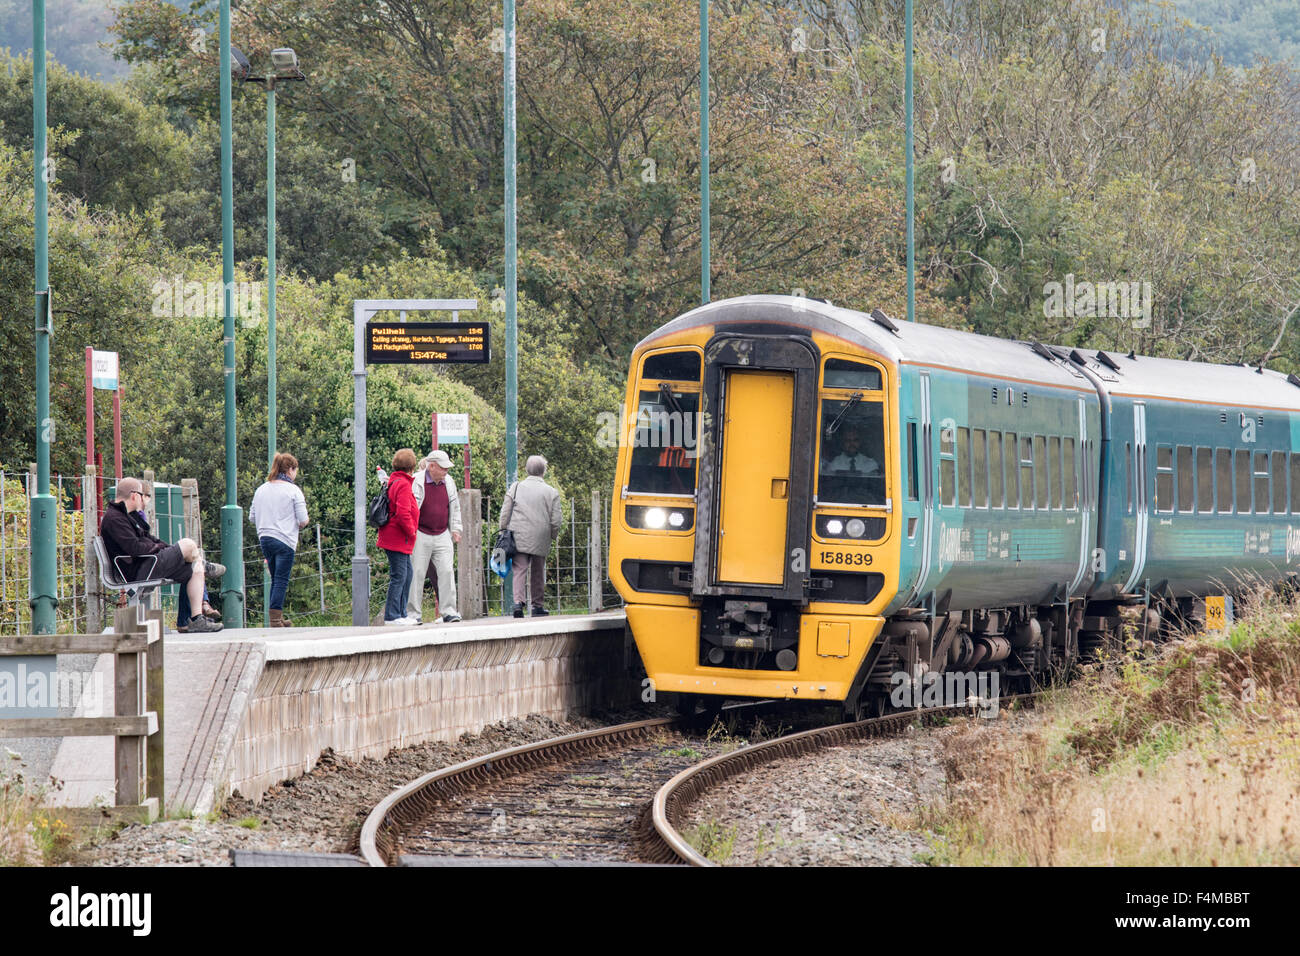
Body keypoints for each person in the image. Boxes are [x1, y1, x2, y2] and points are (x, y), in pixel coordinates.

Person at [99, 477, 226, 634]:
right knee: (188, 544)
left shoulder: (129, 516)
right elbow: (134, 548)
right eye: (142, 494)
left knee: (195, 568)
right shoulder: (114, 519)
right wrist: (162, 548)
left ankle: (193, 620)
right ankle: (206, 565)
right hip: (138, 570)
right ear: (134, 495)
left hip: (147, 564)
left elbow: (150, 540)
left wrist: (169, 549)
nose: (144, 498)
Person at [249, 452, 309, 627]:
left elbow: (252, 517)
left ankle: (277, 615)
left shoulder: (261, 489)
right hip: (285, 540)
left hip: (265, 538)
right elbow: (303, 520)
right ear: (290, 469)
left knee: (276, 578)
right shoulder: (293, 491)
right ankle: (275, 619)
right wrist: (296, 524)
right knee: (281, 579)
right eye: (295, 469)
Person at [498, 455, 562, 618]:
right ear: (544, 471)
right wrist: (553, 535)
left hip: (518, 534)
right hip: (541, 536)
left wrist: (503, 529)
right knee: (538, 571)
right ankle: (537, 606)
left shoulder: (516, 487)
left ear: (526, 470)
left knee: (519, 569)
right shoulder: (551, 492)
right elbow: (556, 520)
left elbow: (505, 512)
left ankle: (518, 604)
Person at [407, 449, 462, 624]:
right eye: (443, 468)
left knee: (446, 571)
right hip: (421, 533)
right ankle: (413, 614)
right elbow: (410, 507)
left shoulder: (449, 482)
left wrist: (456, 528)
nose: (446, 471)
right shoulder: (416, 480)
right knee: (417, 573)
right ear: (431, 466)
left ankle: (449, 611)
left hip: (442, 533)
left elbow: (455, 506)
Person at [376, 448, 420, 625]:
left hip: (396, 537)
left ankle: (401, 613)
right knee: (399, 576)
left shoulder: (395, 481)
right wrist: (411, 531)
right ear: (411, 467)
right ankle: (392, 616)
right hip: (398, 537)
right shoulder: (402, 484)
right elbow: (403, 513)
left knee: (407, 574)